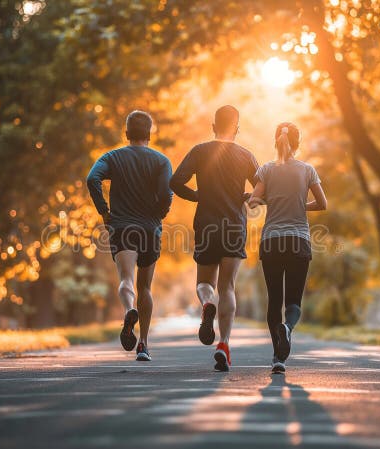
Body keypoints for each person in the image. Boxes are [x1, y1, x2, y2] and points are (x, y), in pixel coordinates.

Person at [170, 105, 259, 372]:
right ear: (237, 128)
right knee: (227, 287)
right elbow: (262, 189)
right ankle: (224, 344)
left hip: (207, 225)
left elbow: (175, 182)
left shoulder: (199, 151)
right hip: (234, 226)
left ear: (213, 127)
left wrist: (197, 196)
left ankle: (207, 303)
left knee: (204, 284)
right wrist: (248, 197)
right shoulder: (246, 155)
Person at [86, 110, 173, 362]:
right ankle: (143, 344)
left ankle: (129, 309)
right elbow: (167, 193)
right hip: (150, 229)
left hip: (122, 227)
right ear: (149, 134)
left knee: (126, 279)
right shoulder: (161, 161)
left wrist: (104, 211)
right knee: (145, 286)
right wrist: (159, 214)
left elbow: (92, 179)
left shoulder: (112, 157)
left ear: (126, 133)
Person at [248, 122, 327, 374]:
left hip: (272, 241)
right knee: (293, 301)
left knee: (274, 301)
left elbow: (253, 201)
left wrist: (270, 199)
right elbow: (322, 203)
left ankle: (277, 357)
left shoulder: (266, 169)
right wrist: (300, 204)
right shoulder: (307, 170)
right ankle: (288, 328)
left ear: (276, 141)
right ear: (297, 143)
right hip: (298, 241)